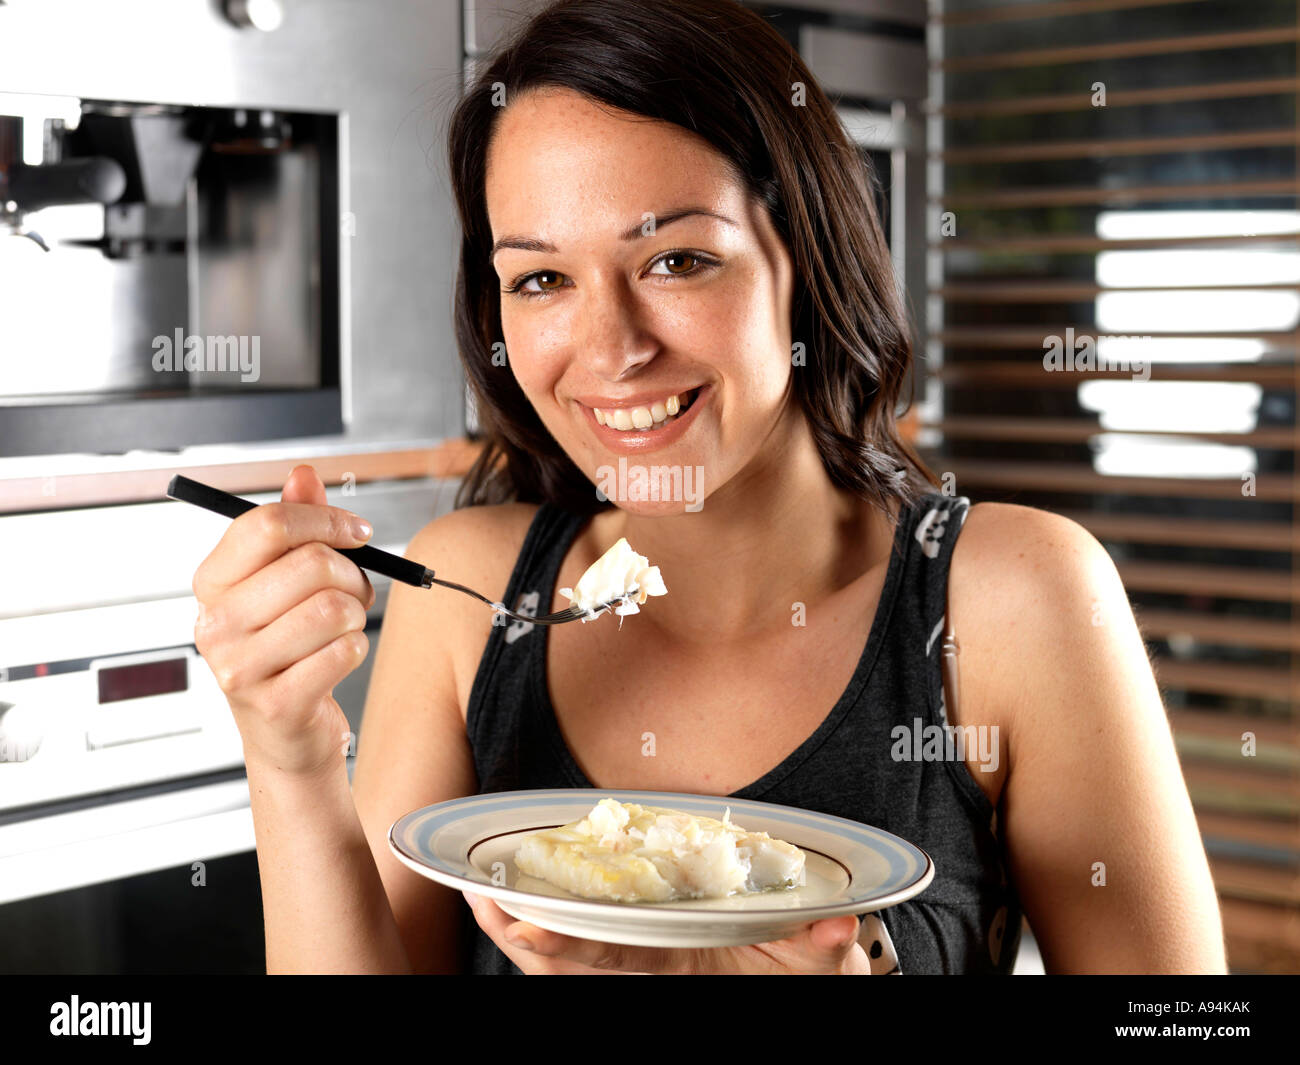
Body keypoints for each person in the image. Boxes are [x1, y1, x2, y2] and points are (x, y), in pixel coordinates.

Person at [190, 0, 1226, 974]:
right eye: (541, 278)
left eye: (678, 260)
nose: (611, 348)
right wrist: (288, 758)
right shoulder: (466, 594)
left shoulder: (1011, 598)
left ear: (804, 264)